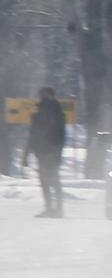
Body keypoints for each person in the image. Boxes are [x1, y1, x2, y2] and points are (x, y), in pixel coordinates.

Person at [24, 87, 65, 218]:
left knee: (51, 180)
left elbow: (59, 135)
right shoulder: (42, 112)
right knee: (47, 181)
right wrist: (27, 153)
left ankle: (56, 209)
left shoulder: (55, 112)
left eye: (43, 95)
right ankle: (53, 208)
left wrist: (56, 151)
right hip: (43, 152)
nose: (42, 97)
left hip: (49, 152)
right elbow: (33, 134)